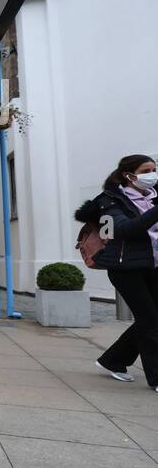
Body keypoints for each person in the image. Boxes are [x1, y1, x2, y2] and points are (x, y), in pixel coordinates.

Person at [75, 154, 158, 391]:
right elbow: (124, 230)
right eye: (145, 170)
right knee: (150, 320)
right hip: (125, 268)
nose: (151, 174)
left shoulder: (153, 198)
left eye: (154, 169)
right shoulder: (109, 201)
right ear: (128, 175)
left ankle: (113, 361)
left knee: (150, 320)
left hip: (153, 265)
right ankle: (156, 378)